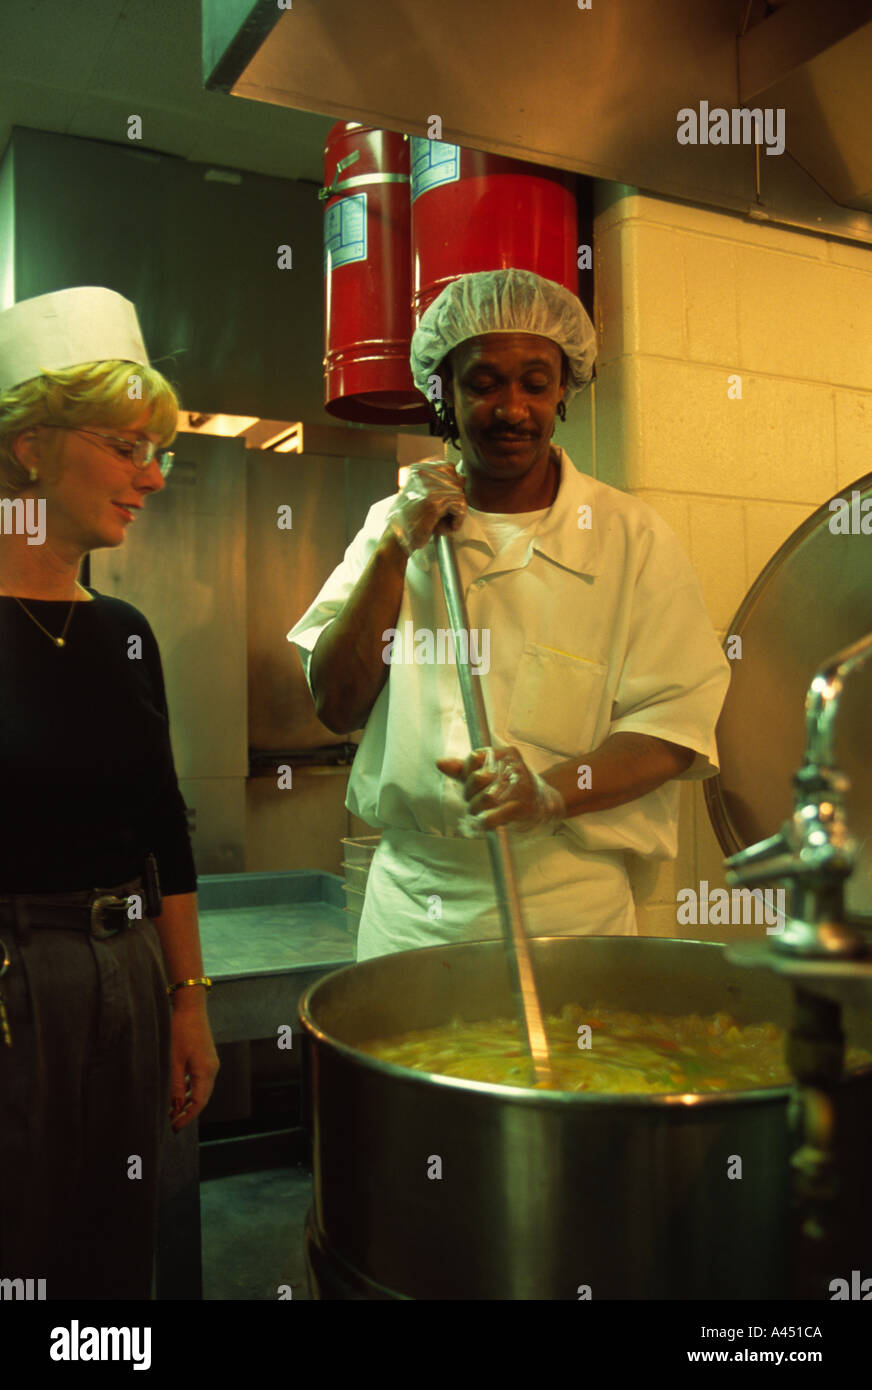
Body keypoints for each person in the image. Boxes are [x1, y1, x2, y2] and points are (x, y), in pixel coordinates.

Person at [288, 267, 731, 961]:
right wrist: (391, 554)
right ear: (446, 392)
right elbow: (336, 703)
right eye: (484, 382)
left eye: (534, 381)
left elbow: (670, 728)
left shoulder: (629, 538)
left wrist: (550, 794)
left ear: (565, 389)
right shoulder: (391, 527)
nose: (510, 408)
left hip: (568, 903)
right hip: (413, 906)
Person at [0, 286, 219, 1299]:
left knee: (113, 1255)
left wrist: (186, 1001)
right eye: (129, 445)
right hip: (15, 978)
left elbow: (162, 830)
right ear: (29, 444)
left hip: (127, 973)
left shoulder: (125, 631)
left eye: (158, 449)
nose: (155, 476)